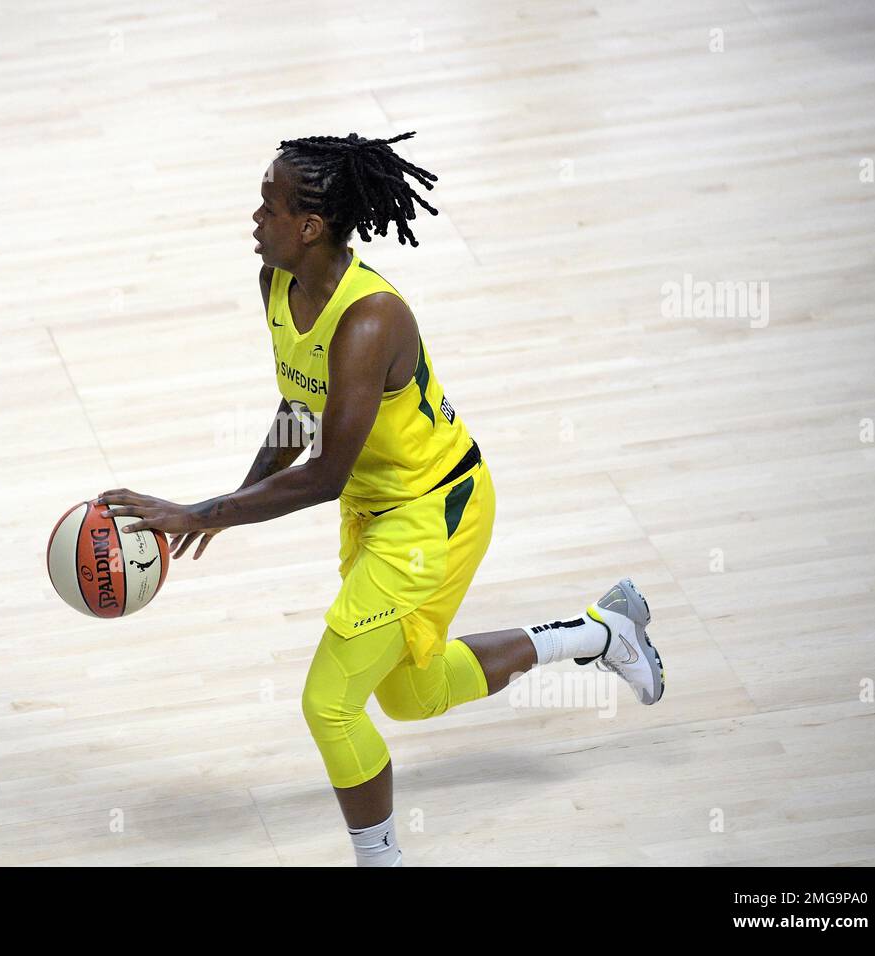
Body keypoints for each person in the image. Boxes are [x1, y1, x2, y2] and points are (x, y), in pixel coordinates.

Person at [97, 131, 664, 867]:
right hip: (376, 509)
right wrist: (236, 499)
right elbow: (301, 403)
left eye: (268, 205)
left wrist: (204, 511)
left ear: (311, 226)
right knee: (411, 695)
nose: (254, 218)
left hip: (437, 510)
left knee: (329, 704)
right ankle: (600, 633)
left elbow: (328, 471)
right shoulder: (276, 283)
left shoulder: (371, 320)